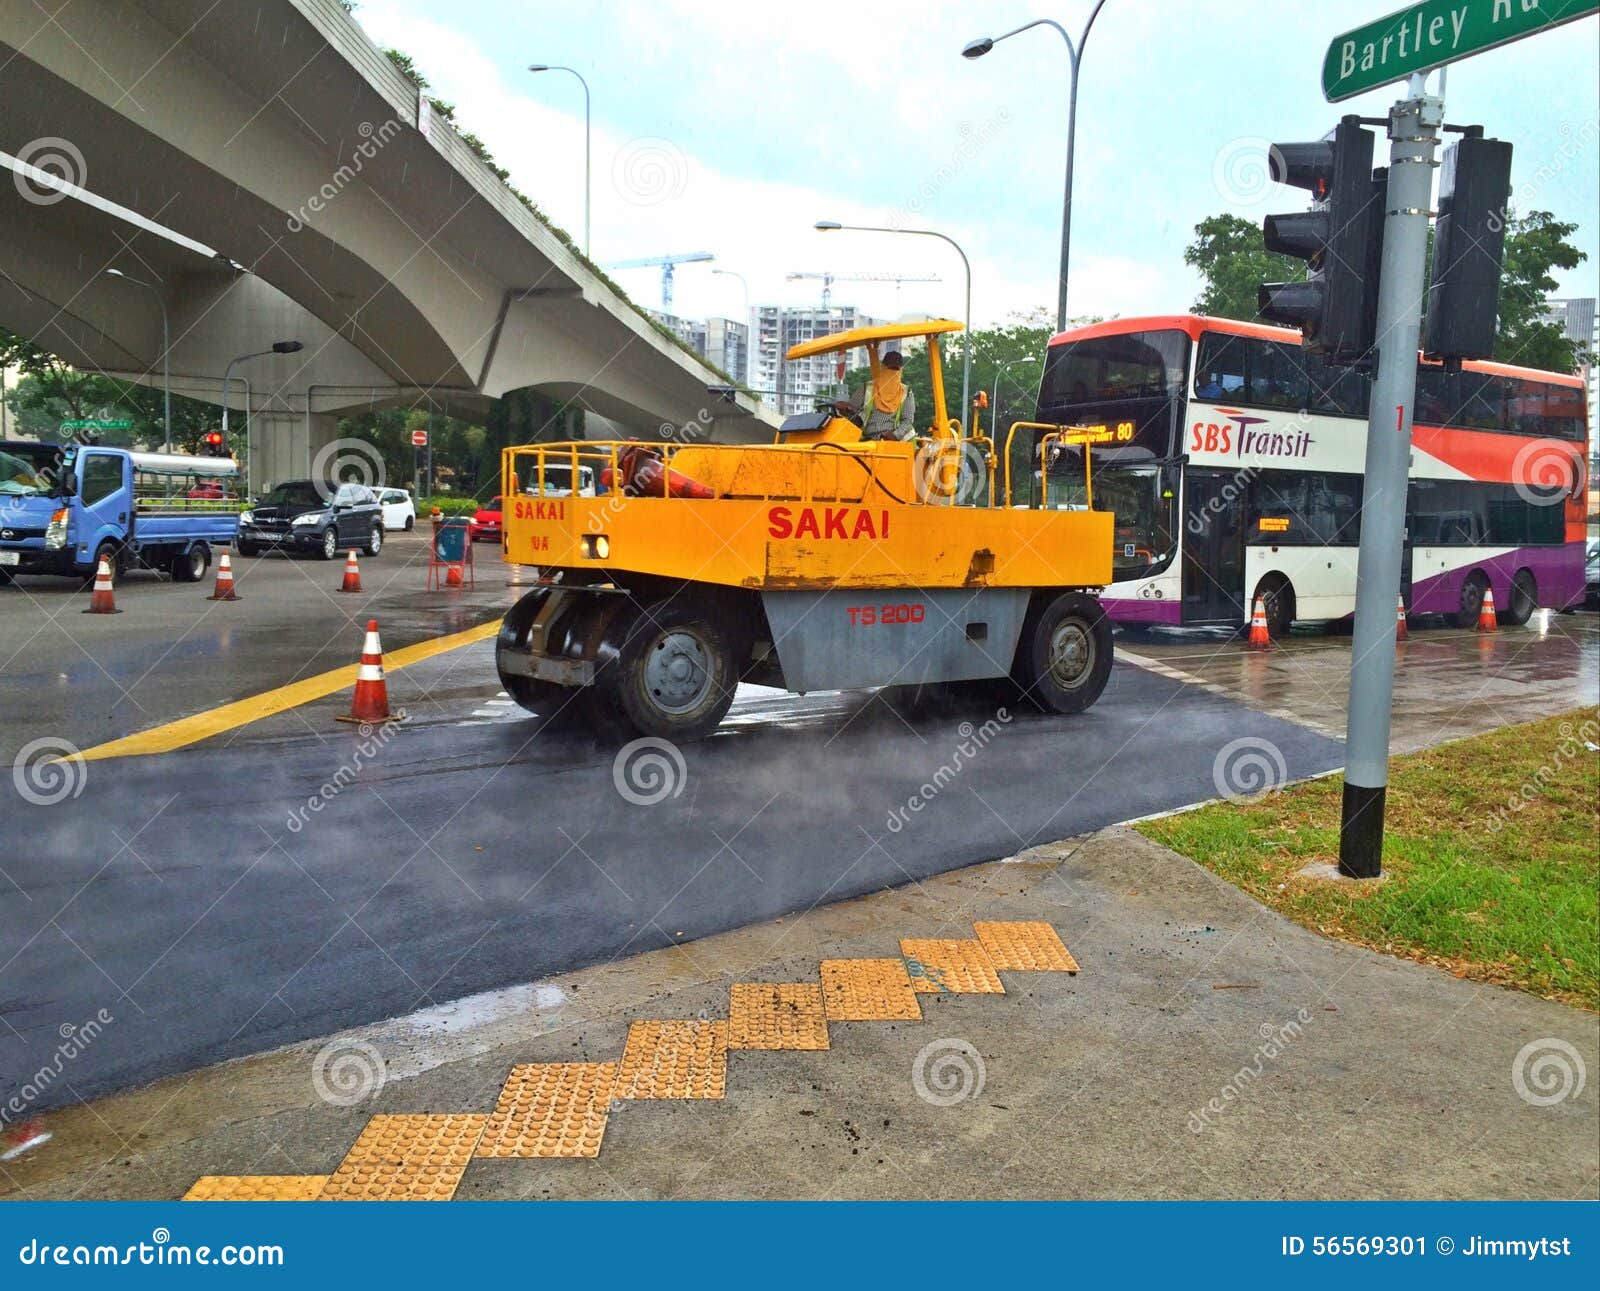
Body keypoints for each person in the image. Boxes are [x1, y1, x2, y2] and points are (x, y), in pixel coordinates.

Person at [841, 349, 916, 441]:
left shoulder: (906, 392)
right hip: (866, 440)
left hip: (895, 443)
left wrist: (895, 435)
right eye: (889, 368)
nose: (891, 373)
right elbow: (851, 410)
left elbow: (907, 421)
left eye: (895, 369)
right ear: (883, 367)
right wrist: (845, 408)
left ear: (900, 370)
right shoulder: (867, 388)